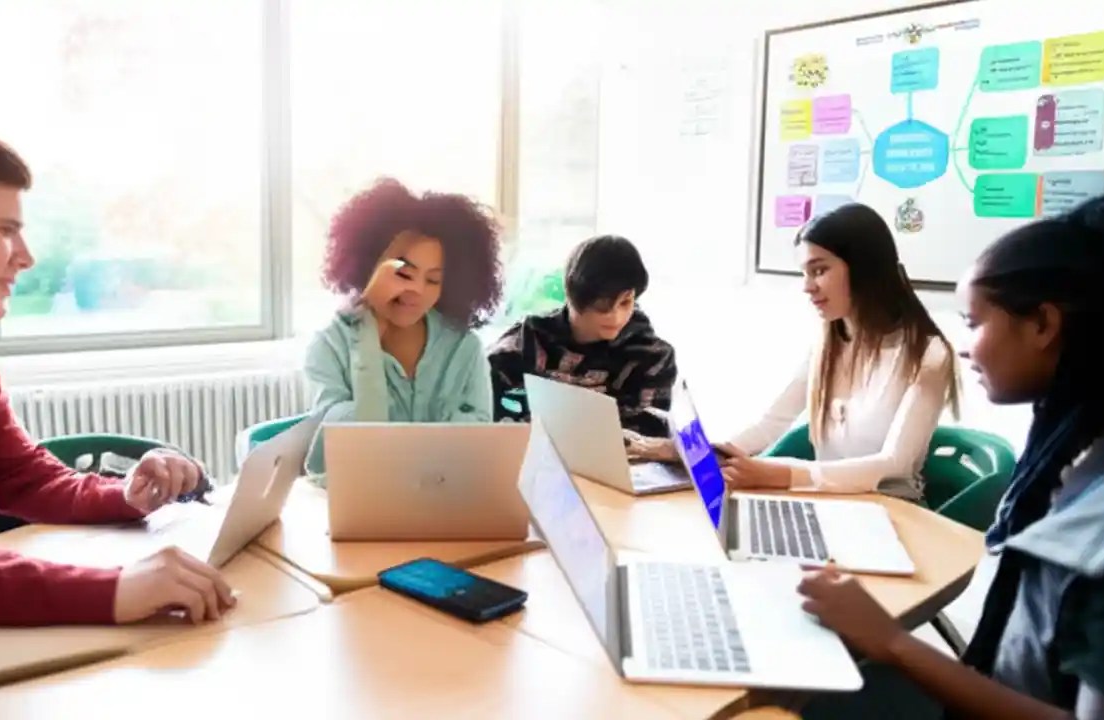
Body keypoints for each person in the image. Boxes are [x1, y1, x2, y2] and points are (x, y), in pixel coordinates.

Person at [798, 193, 1104, 719]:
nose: (964, 347)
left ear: (1043, 325)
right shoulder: (1083, 446)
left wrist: (891, 640)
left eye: (973, 322)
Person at [0, 120, 234, 626]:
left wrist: (125, 494)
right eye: (5, 230)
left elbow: (23, 476)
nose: (27, 257)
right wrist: (116, 590)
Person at [715, 203, 959, 501]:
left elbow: (894, 465)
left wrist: (783, 474)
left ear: (863, 268)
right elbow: (771, 424)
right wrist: (704, 453)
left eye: (819, 270)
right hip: (830, 503)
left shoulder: (928, 354)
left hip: (891, 510)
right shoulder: (828, 342)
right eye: (804, 273)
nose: (807, 287)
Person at [303, 178, 503, 477]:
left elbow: (480, 443)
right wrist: (367, 339)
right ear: (368, 267)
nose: (417, 291)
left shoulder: (464, 347)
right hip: (360, 502)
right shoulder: (330, 347)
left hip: (446, 502)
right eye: (404, 274)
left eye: (433, 280)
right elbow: (328, 455)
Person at [488, 235, 678, 460]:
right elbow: (494, 425)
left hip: (623, 478)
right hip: (528, 469)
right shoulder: (519, 348)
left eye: (626, 302)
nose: (615, 316)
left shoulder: (651, 356)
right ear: (571, 294)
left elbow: (647, 436)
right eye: (601, 306)